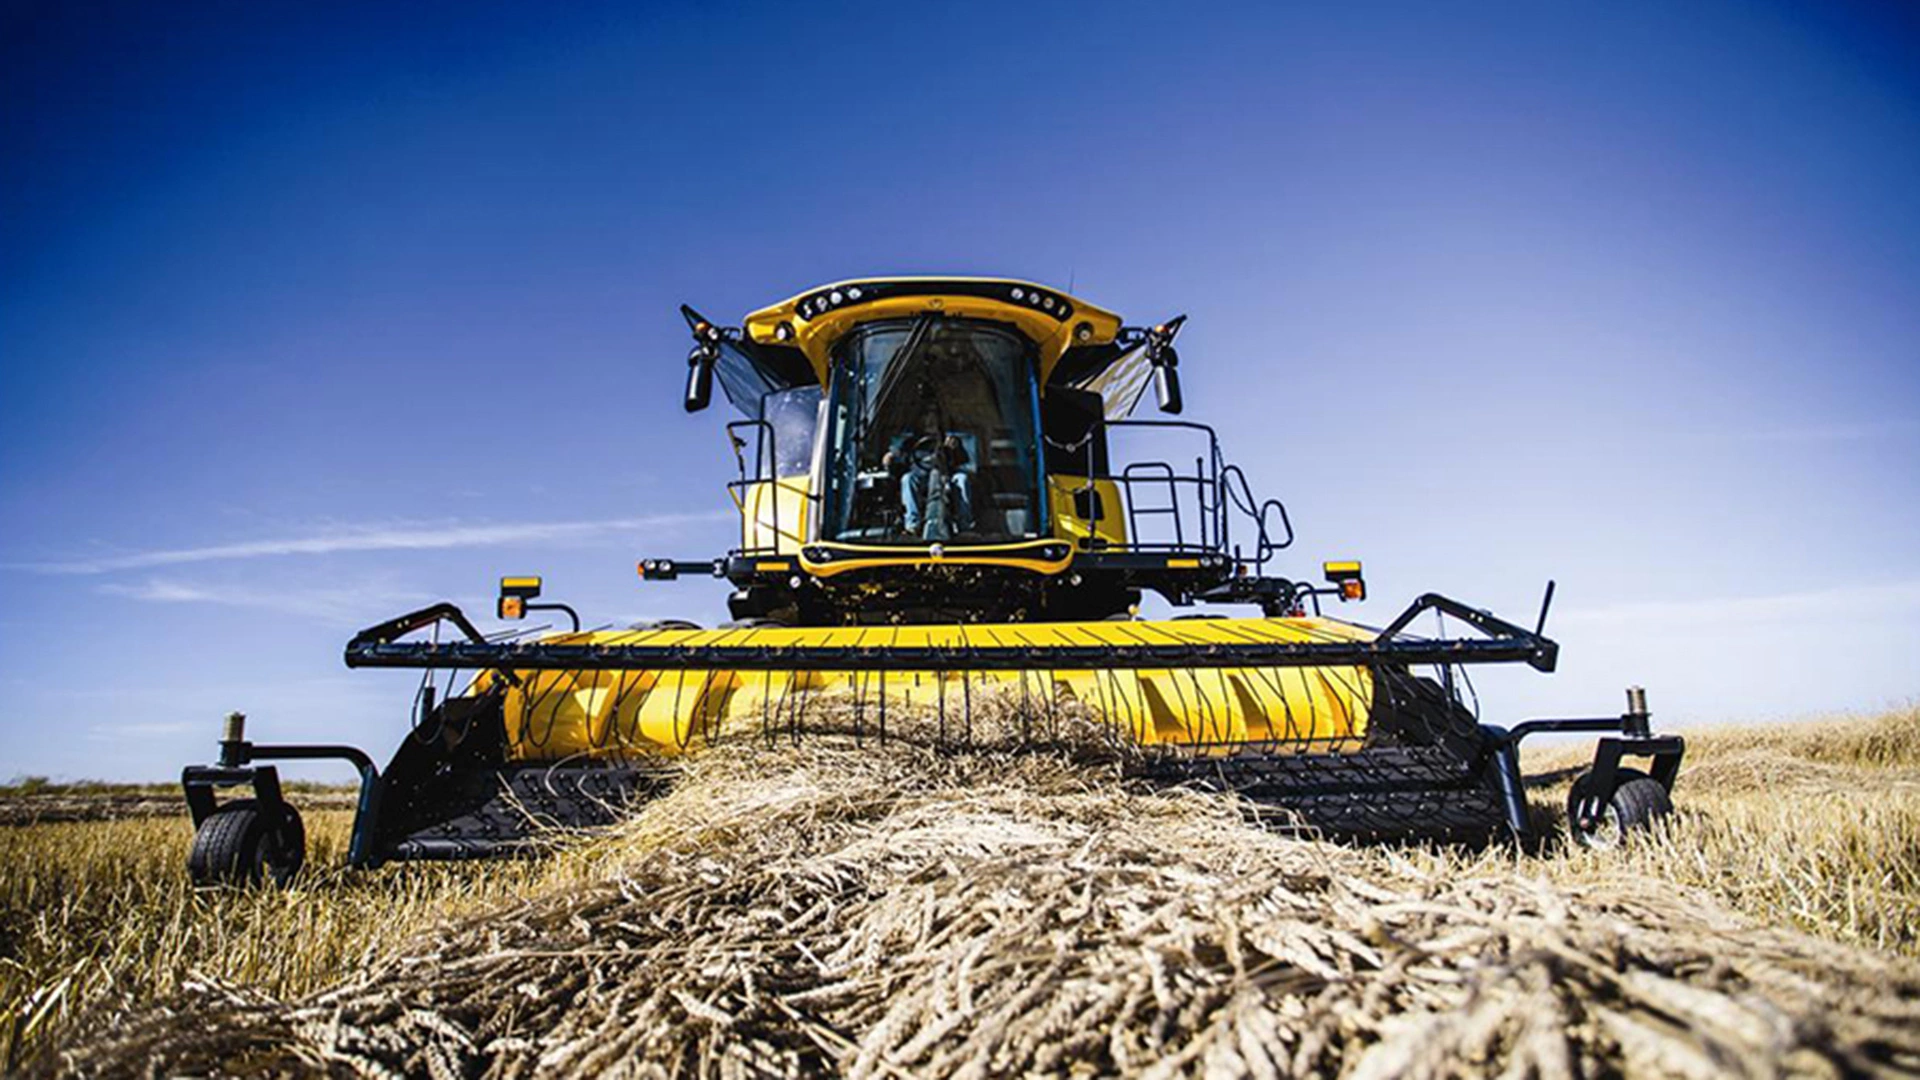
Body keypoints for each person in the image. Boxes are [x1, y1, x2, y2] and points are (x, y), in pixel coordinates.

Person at [882, 409, 974, 539]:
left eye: (933, 420)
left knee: (962, 479)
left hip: (945, 478)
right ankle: (912, 525)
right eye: (926, 420)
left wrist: (955, 447)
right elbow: (898, 455)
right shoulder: (910, 443)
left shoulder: (949, 441)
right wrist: (890, 455)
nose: (930, 423)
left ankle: (964, 525)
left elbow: (963, 460)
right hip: (921, 479)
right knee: (907, 479)